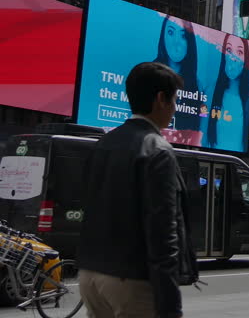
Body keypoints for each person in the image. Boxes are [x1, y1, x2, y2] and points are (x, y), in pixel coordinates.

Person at [78, 62, 197, 318]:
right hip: (132, 279)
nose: (174, 109)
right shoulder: (158, 150)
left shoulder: (104, 143)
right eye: (174, 101)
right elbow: (163, 230)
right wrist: (170, 305)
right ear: (161, 99)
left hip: (90, 276)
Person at [154, 16, 201, 145]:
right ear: (163, 36)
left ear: (190, 42)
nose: (176, 43)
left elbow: (200, 121)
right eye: (170, 32)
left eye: (183, 36)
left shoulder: (197, 84)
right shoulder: (150, 74)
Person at [204, 34, 249, 150]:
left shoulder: (248, 100)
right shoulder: (210, 92)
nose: (233, 57)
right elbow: (202, 135)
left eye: (239, 52)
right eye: (229, 50)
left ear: (246, 60)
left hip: (238, 161)